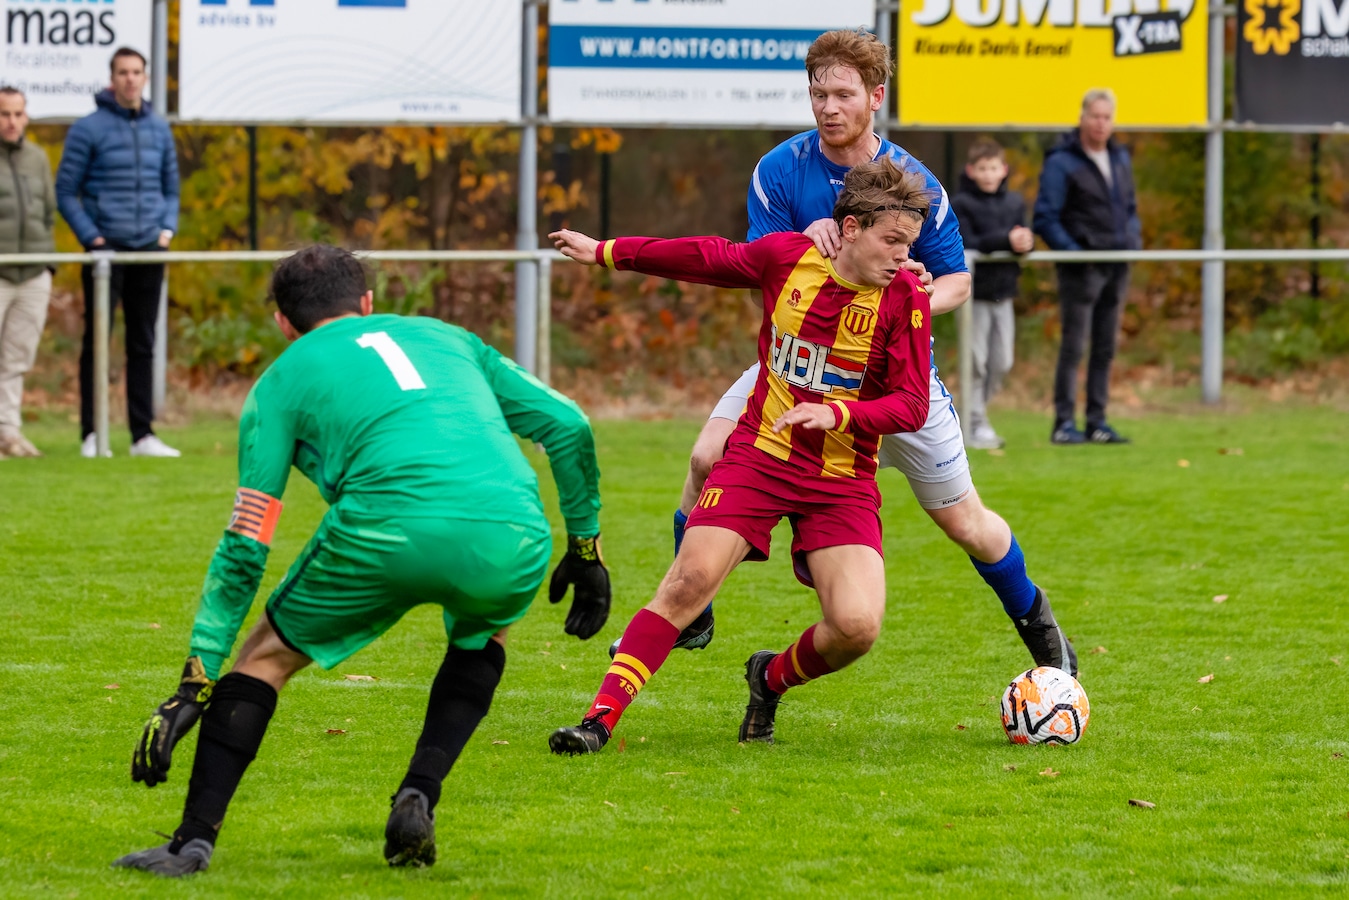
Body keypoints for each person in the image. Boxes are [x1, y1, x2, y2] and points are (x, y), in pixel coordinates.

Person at [112, 245, 610, 877]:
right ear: (368, 302)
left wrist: (196, 681)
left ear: (283, 324)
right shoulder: (448, 337)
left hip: (385, 528)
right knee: (484, 633)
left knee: (263, 658)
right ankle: (418, 794)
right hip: (509, 527)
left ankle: (191, 842)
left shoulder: (279, 383)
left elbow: (246, 541)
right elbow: (569, 424)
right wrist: (586, 548)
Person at [628, 29, 1076, 680]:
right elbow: (757, 267)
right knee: (704, 457)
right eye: (818, 94)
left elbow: (956, 280)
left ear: (875, 96)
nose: (828, 107)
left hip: (892, 383)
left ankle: (1040, 627)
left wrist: (912, 299)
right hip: (800, 366)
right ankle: (688, 610)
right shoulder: (779, 170)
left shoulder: (914, 182)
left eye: (843, 94)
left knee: (967, 524)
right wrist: (807, 248)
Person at [548, 158, 934, 754]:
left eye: (908, 244)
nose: (903, 256)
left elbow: (911, 405)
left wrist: (837, 414)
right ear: (851, 229)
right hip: (761, 457)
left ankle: (769, 678)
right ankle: (597, 721)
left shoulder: (906, 297)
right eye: (892, 241)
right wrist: (606, 251)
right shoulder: (788, 259)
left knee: (857, 628)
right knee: (689, 582)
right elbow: (705, 257)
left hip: (841, 480)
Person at [56, 47, 181, 458]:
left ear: (145, 77)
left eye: (137, 72)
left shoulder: (159, 129)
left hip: (149, 250)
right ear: (112, 78)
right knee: (98, 342)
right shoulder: (88, 128)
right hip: (105, 254)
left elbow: (171, 189)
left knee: (143, 343)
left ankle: (142, 435)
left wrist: (166, 231)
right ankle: (93, 434)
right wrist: (93, 238)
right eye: (123, 72)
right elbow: (66, 191)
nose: (130, 79)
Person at [1033, 88, 1140, 445]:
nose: (1100, 123)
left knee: (1105, 345)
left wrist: (1132, 240)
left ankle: (1097, 421)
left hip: (1117, 264)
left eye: (1106, 117)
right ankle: (1064, 422)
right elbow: (1045, 217)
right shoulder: (1062, 162)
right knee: (1074, 346)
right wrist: (1074, 252)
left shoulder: (1119, 157)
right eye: (1095, 116)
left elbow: (1129, 209)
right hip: (1081, 269)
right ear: (1082, 117)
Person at [951, 137, 1033, 450]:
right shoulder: (961, 204)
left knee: (1002, 363)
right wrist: (1006, 240)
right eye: (982, 168)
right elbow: (969, 242)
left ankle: (970, 415)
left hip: (1004, 294)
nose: (988, 174)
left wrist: (1024, 243)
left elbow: (1020, 241)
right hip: (974, 296)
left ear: (1004, 170)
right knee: (976, 362)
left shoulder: (1014, 202)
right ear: (972, 170)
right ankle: (974, 423)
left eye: (993, 168)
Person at [0, 87, 55, 459]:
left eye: (18, 114)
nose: (12, 121)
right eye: (5, 114)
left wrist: (46, 263)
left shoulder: (37, 158)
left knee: (16, 358)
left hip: (33, 273)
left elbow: (48, 212)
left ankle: (8, 433)